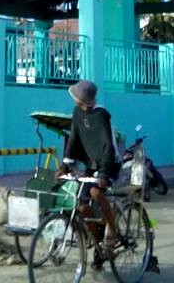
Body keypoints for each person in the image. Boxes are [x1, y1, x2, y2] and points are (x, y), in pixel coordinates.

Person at [61, 79, 122, 270]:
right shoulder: (77, 113)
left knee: (96, 192)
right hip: (91, 164)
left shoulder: (101, 115)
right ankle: (98, 245)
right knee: (81, 205)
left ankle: (113, 229)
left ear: (81, 99)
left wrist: (103, 172)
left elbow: (107, 146)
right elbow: (73, 139)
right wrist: (65, 165)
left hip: (109, 164)